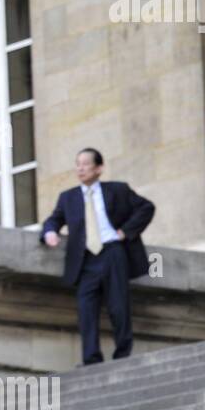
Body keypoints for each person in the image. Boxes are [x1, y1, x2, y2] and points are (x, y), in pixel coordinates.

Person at [39, 147, 156, 367]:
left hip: (113, 253)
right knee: (86, 309)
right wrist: (49, 232)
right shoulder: (68, 198)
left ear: (99, 168)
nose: (80, 168)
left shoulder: (118, 190)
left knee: (118, 305)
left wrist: (126, 231)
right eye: (77, 164)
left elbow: (146, 207)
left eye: (85, 164)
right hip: (85, 260)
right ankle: (91, 358)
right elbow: (53, 219)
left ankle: (123, 354)